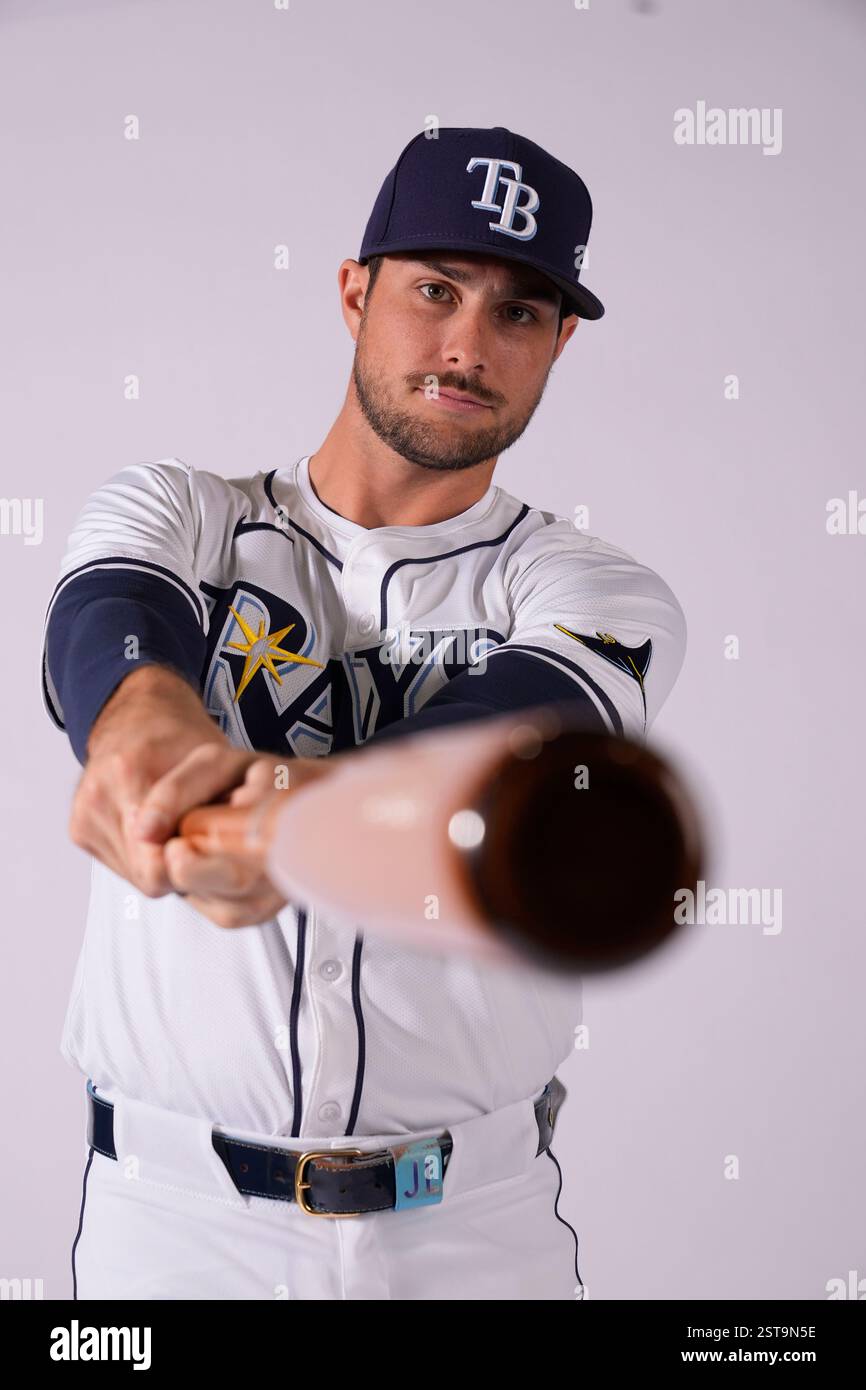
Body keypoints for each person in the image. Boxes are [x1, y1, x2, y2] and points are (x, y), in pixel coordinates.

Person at [40, 125, 687, 1300]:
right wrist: (147, 752)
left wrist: (248, 817)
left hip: (474, 1231)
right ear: (354, 291)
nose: (465, 344)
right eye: (434, 289)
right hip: (174, 1229)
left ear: (558, 344)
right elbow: (113, 646)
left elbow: (477, 767)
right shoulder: (180, 509)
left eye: (517, 313)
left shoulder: (595, 591)